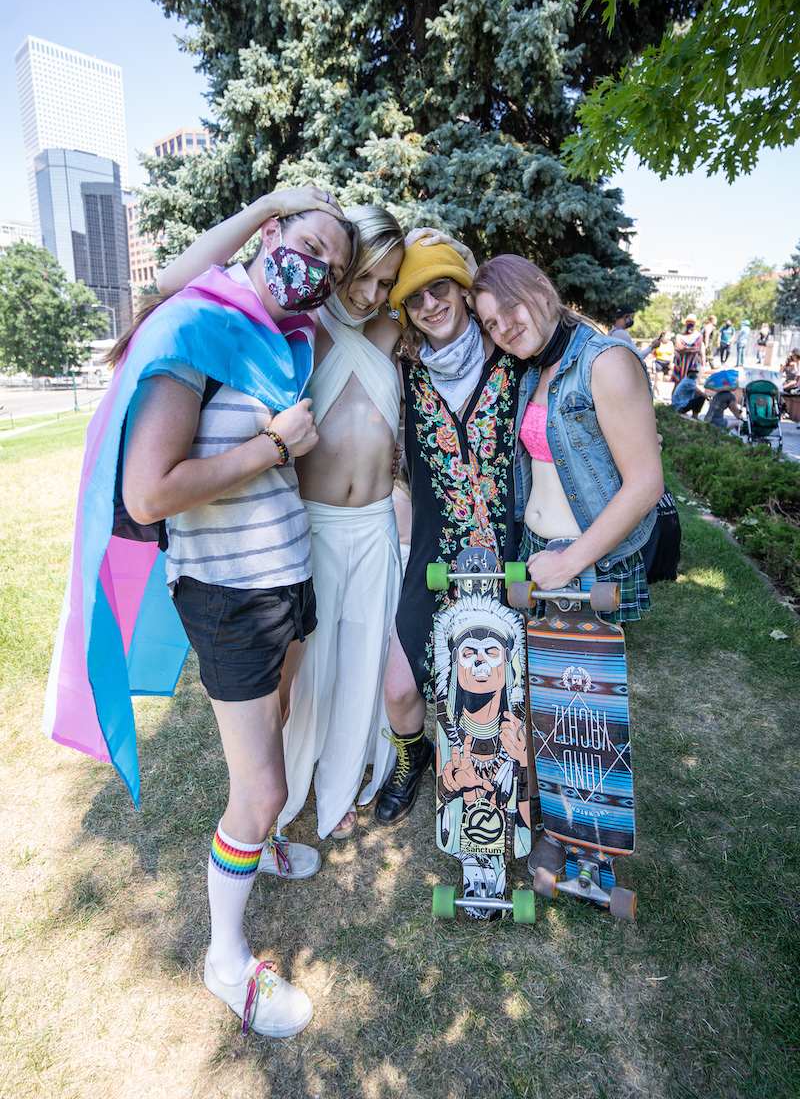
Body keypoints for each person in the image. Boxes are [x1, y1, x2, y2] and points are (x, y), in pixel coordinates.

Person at [47, 193, 357, 1038]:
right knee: (263, 787)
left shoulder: (284, 339)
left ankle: (265, 843)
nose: (316, 270)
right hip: (228, 595)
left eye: (330, 266)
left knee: (281, 720)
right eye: (307, 244)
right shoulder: (194, 327)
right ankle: (227, 960)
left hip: (285, 577)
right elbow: (149, 491)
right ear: (270, 237)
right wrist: (275, 448)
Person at [158, 195, 409, 843]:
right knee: (307, 676)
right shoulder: (300, 326)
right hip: (312, 528)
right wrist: (269, 209)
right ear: (338, 271)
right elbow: (182, 285)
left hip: (376, 526)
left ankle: (345, 778)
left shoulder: (393, 329)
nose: (372, 294)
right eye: (362, 278)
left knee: (364, 660)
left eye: (386, 281)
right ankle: (282, 792)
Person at [469, 255, 664, 873]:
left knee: (585, 711)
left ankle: (591, 843)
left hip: (590, 566)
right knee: (544, 705)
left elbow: (644, 484)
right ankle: (556, 825)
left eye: (510, 310)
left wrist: (572, 560)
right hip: (542, 560)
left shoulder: (606, 362)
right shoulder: (537, 370)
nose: (503, 328)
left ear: (542, 290)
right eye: (491, 323)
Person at [374, 240, 522, 827]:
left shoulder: (511, 362)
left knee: (502, 691)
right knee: (399, 687)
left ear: (463, 288)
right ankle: (415, 757)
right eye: (415, 298)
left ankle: (504, 784)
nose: (431, 304)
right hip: (435, 556)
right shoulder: (406, 372)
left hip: (511, 555)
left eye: (440, 288)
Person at [671, 314, 705, 382]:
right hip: (680, 363)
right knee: (677, 384)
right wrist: (692, 349)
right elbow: (678, 348)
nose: (690, 323)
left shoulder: (698, 336)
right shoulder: (679, 335)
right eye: (688, 321)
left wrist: (685, 348)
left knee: (691, 383)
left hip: (692, 363)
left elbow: (698, 349)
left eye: (692, 322)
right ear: (685, 323)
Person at [650, 328, 674, 399]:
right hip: (658, 361)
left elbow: (672, 353)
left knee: (659, 380)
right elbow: (652, 351)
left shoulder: (670, 344)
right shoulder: (658, 343)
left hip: (666, 362)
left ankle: (651, 392)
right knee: (659, 379)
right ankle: (659, 395)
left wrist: (671, 362)